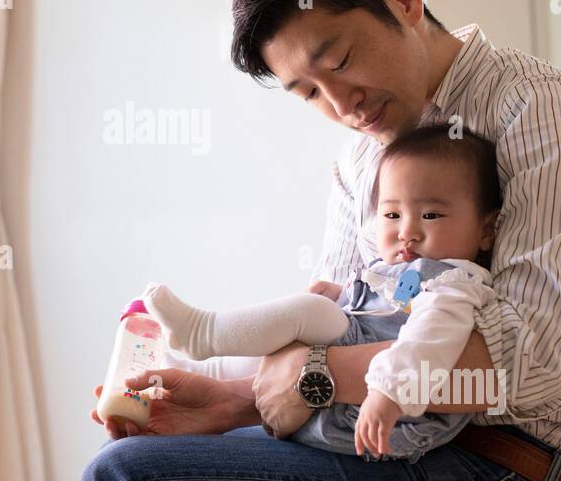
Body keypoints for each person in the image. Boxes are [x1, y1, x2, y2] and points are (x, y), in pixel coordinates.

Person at [81, 0, 561, 481]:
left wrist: (313, 377)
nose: (341, 106)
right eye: (308, 92)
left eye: (339, 59)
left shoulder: (535, 110)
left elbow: (528, 362)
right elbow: (342, 325)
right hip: (388, 444)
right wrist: (231, 403)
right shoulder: (362, 162)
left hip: (514, 476)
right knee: (137, 454)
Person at [138, 123, 502, 462]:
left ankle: (200, 333)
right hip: (338, 402)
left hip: (387, 418)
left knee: (312, 314)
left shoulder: (454, 286)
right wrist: (343, 297)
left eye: (431, 216)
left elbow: (428, 343)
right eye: (392, 216)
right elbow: (382, 312)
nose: (407, 231)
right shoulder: (395, 270)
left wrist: (387, 393)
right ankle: (192, 368)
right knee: (300, 328)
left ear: (486, 230)